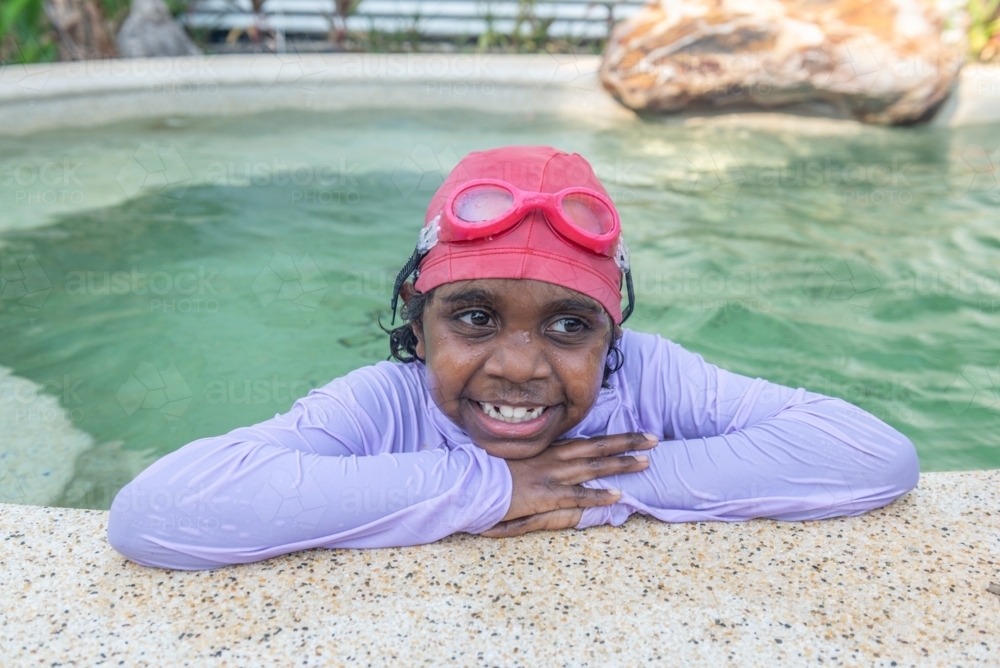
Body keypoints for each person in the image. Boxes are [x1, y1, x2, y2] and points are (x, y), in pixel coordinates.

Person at [107, 146, 919, 570]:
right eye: (474, 317)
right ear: (417, 330)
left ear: (613, 338)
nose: (522, 365)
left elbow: (871, 454)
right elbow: (158, 514)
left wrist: (588, 492)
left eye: (570, 326)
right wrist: (491, 487)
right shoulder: (386, 404)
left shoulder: (645, 376)